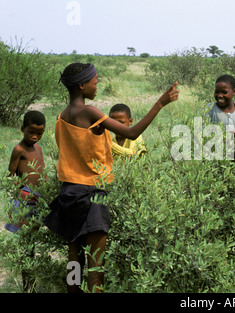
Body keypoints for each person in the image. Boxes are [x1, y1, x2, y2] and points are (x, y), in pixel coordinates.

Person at [43, 63, 178, 293]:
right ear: (82, 85)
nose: (97, 86)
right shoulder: (90, 113)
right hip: (92, 196)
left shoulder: (61, 117)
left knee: (75, 260)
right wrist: (160, 103)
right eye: (95, 82)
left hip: (69, 194)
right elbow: (132, 133)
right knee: (96, 267)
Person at [5, 110, 46, 233]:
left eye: (39, 133)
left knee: (35, 228)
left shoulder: (38, 148)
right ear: (23, 129)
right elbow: (11, 173)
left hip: (39, 196)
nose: (35, 136)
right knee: (23, 230)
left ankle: (31, 252)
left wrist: (47, 190)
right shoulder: (19, 149)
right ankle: (26, 252)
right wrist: (16, 192)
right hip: (25, 196)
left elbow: (43, 171)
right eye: (31, 132)